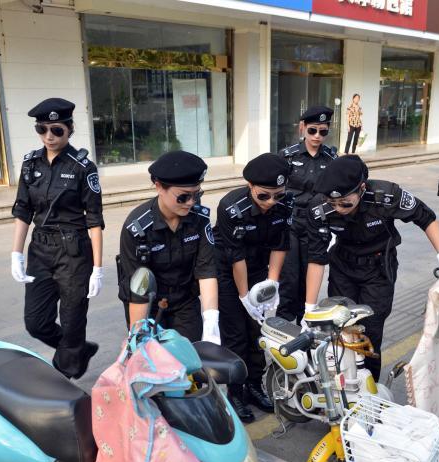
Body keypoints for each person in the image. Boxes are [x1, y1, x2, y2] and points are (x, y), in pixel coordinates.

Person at [304, 155, 439, 380]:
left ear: (362, 188)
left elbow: (425, 218)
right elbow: (317, 258)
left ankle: (370, 387)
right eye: (333, 203)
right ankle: (344, 387)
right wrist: (309, 308)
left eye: (345, 203)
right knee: (340, 329)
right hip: (343, 268)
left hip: (378, 269)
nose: (338, 209)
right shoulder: (319, 208)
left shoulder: (386, 196)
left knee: (370, 331)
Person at [11, 98, 104, 379]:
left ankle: (65, 374)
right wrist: (16, 253)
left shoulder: (83, 167)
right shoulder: (30, 164)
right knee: (36, 322)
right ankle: (77, 350)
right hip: (40, 248)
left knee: (73, 321)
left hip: (74, 251)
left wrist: (97, 269)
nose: (49, 136)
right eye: (42, 129)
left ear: (70, 129)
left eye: (56, 130)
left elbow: (94, 219)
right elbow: (23, 209)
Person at [214, 153, 294, 421]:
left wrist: (272, 283)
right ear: (250, 187)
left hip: (260, 269)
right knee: (236, 333)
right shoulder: (230, 207)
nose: (272, 202)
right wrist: (245, 296)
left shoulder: (286, 204)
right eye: (265, 196)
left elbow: (280, 244)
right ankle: (235, 393)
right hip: (228, 271)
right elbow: (235, 256)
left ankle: (254, 385)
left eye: (278, 196)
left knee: (259, 331)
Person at [116, 150, 220, 345]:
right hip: (149, 307)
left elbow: (206, 272)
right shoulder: (137, 228)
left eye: (196, 195)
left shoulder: (199, 220)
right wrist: (137, 334)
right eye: (183, 197)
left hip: (185, 302)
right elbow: (139, 289)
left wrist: (211, 322)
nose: (191, 203)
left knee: (192, 360)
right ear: (159, 187)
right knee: (152, 363)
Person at [277, 106, 337, 324]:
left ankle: (305, 326)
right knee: (289, 278)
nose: (317, 137)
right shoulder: (287, 156)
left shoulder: (331, 158)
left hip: (317, 224)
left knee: (308, 279)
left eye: (323, 132)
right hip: (291, 223)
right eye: (313, 131)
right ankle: (283, 328)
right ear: (302, 128)